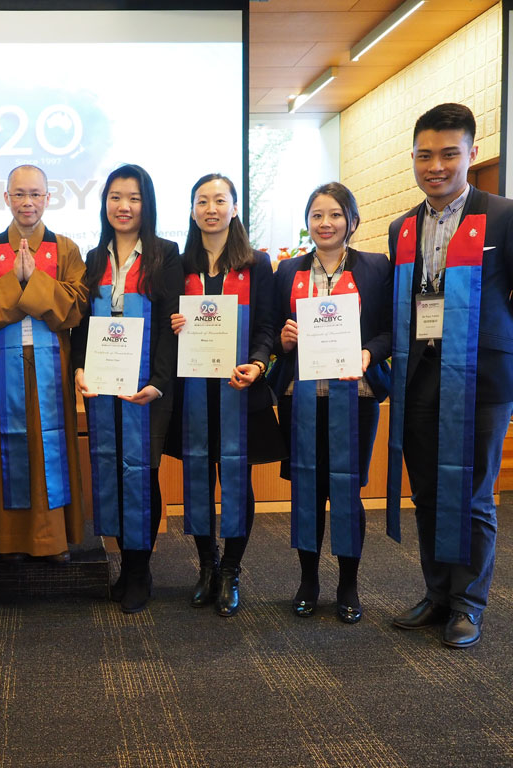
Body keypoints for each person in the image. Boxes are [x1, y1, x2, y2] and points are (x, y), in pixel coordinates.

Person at [387, 103, 513, 647]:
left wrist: (509, 351)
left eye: (449, 153)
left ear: (471, 154)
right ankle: (437, 594)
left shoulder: (506, 215)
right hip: (419, 379)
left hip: (482, 381)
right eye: (425, 155)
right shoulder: (402, 227)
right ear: (413, 158)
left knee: (475, 494)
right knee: (429, 493)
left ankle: (468, 605)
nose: (436, 165)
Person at [270, 182, 392, 623]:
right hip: (300, 396)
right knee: (307, 490)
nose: (325, 223)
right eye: (317, 214)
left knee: (346, 491)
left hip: (354, 395)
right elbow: (269, 328)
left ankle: (348, 584)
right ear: (308, 223)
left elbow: (391, 328)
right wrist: (283, 340)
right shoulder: (287, 271)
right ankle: (307, 581)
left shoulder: (376, 268)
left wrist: (369, 353)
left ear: (352, 221)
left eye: (335, 214)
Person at [168, 173, 285, 617]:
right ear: (193, 209)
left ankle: (232, 570)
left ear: (234, 208)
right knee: (199, 475)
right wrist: (174, 326)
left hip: (241, 389)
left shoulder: (257, 264)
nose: (211, 208)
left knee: (237, 480)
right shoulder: (178, 266)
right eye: (203, 201)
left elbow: (268, 326)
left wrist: (257, 363)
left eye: (220, 200)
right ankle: (206, 567)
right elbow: (166, 327)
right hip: (193, 393)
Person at [72, 164, 183, 614]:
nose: (124, 206)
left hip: (147, 389)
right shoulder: (94, 258)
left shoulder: (165, 254)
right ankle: (124, 564)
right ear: (105, 204)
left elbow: (170, 327)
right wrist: (79, 368)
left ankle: (140, 570)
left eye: (134, 198)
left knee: (142, 473)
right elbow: (82, 325)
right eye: (116, 197)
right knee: (111, 472)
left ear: (147, 204)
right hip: (103, 385)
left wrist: (159, 382)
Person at [0, 164, 88, 563]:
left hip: (53, 366)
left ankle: (52, 539)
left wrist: (33, 281)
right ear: (6, 197)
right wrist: (15, 282)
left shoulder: (65, 249)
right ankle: (10, 539)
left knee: (49, 446)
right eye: (19, 194)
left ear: (48, 198)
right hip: (3, 370)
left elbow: (75, 308)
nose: (28, 202)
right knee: (11, 446)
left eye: (36, 194)